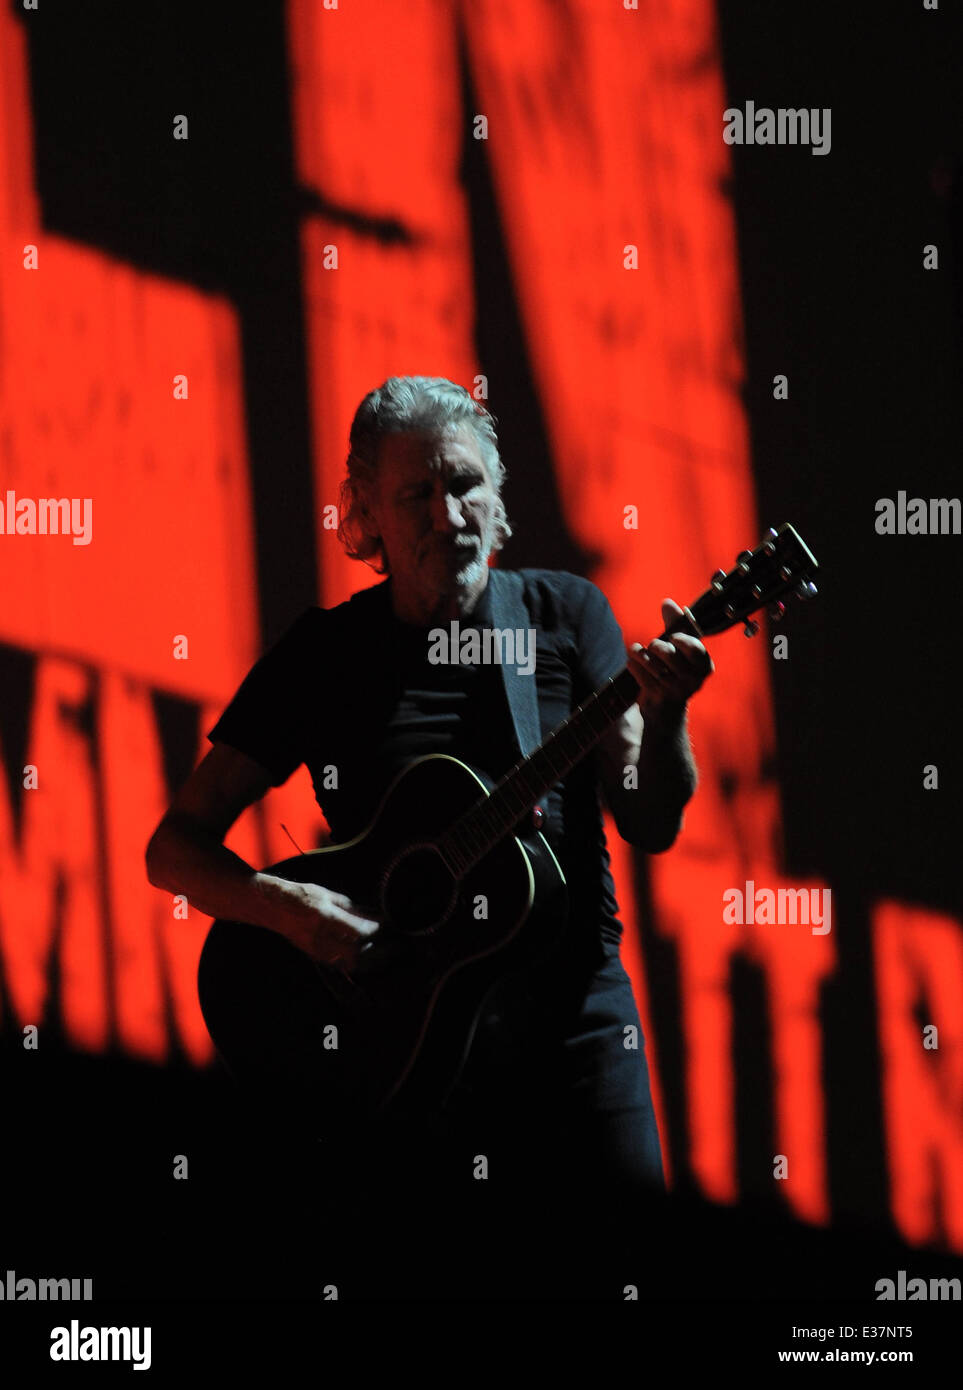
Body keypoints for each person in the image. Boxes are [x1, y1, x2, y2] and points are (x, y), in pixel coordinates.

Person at [145, 375, 714, 1295]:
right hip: (398, 1044)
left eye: (466, 486)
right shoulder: (325, 654)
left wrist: (670, 714)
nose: (448, 515)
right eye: (416, 494)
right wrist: (284, 908)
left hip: (574, 1022)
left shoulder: (564, 617)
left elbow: (651, 819)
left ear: (497, 497)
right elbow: (173, 849)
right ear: (366, 515)